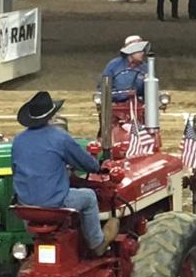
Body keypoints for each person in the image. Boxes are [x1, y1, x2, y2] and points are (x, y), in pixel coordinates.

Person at [12, 91, 119, 257]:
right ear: (52, 117)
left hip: (25, 207)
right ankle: (97, 243)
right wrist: (98, 166)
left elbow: (17, 169)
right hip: (53, 205)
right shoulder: (59, 138)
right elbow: (86, 164)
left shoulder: (18, 140)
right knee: (89, 197)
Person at [101, 35, 148, 101]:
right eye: (139, 51)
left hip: (139, 106)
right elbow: (103, 89)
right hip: (116, 107)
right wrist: (124, 95)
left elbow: (150, 91)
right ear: (130, 51)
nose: (142, 53)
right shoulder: (114, 65)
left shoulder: (146, 68)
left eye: (143, 50)